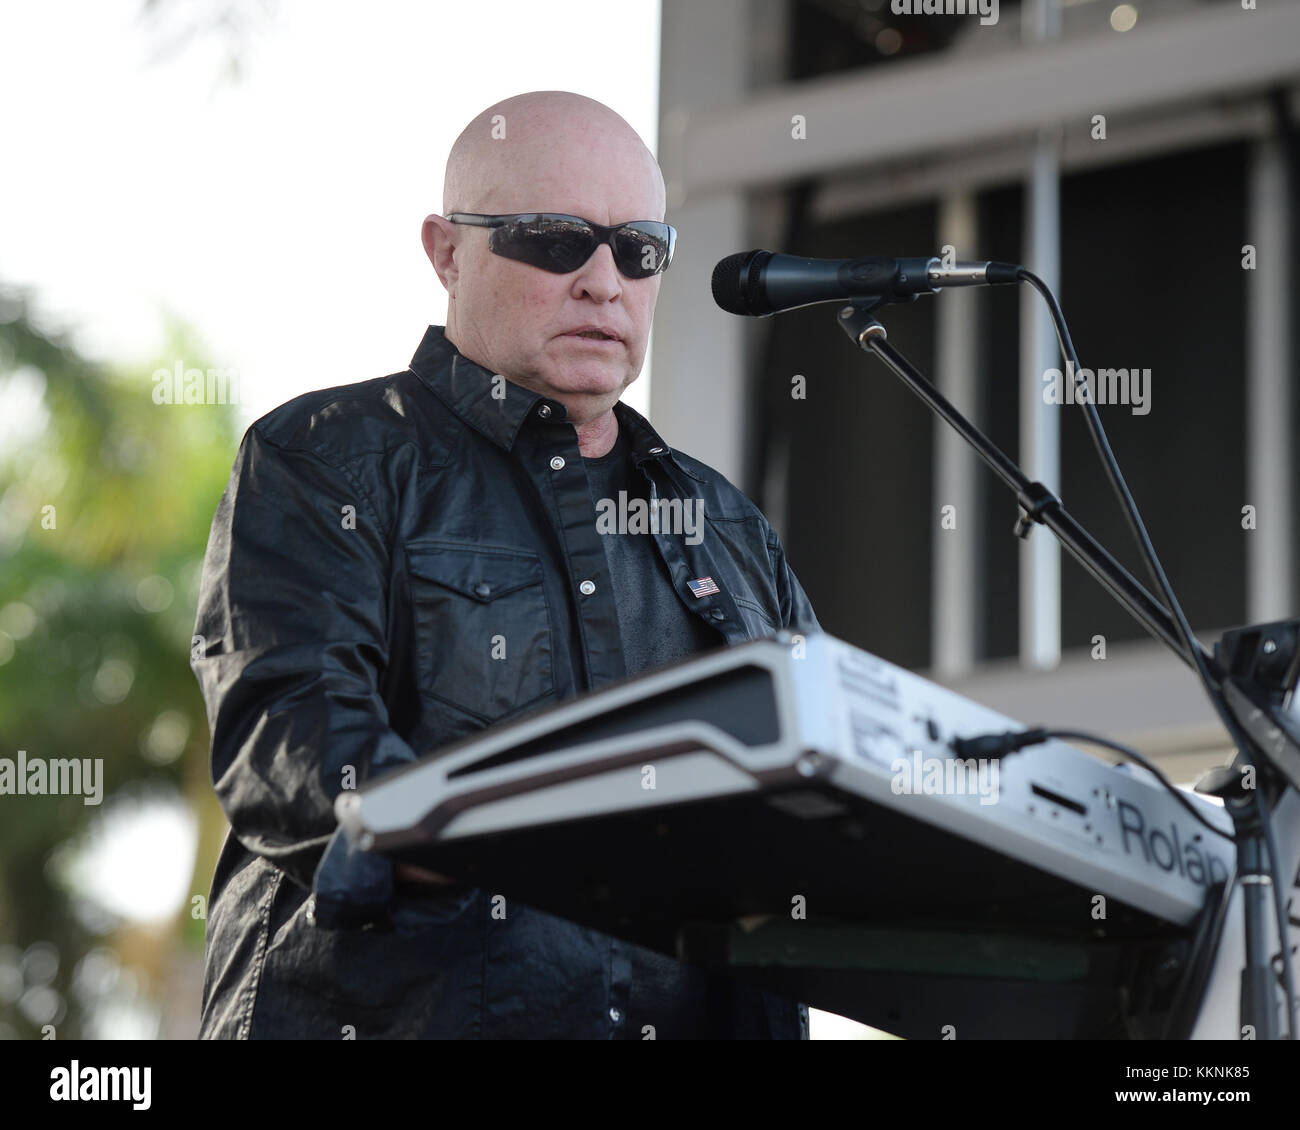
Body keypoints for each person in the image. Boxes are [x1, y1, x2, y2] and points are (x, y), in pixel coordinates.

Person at [191, 90, 819, 1039]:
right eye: (557, 240)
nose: (606, 281)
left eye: (639, 250)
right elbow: (293, 739)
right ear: (446, 251)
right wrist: (543, 838)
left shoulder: (728, 525)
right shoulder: (326, 456)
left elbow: (831, 790)